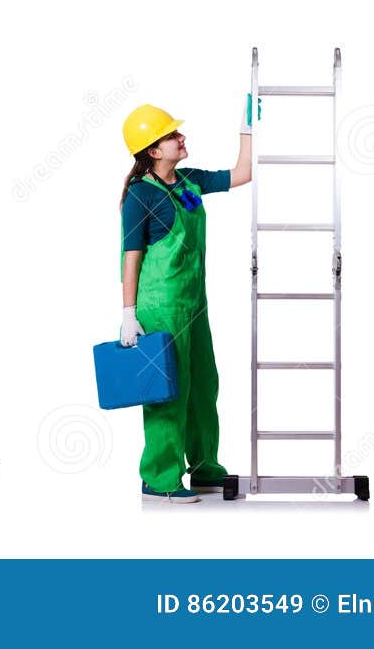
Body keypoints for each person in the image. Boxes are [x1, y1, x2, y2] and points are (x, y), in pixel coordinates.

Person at [118, 97, 254, 503]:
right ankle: (159, 478)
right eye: (173, 135)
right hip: (159, 308)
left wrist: (247, 128)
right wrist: (128, 314)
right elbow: (131, 256)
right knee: (168, 392)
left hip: (195, 303)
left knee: (202, 385)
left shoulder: (190, 180)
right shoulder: (140, 196)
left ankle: (204, 467)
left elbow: (243, 173)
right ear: (154, 150)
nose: (182, 137)